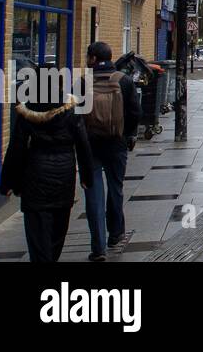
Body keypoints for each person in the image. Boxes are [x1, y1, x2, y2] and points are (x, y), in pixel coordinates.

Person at [0, 71, 94, 262]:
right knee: (59, 227)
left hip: (35, 175)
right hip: (63, 174)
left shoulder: (27, 111)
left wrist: (8, 182)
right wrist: (86, 176)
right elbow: (83, 145)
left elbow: (16, 148)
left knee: (37, 231)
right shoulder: (71, 109)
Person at [82, 42, 140, 262]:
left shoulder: (84, 82)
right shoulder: (123, 80)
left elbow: (77, 117)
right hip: (116, 143)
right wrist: (128, 135)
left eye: (88, 56)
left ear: (93, 59)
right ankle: (115, 234)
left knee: (93, 194)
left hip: (90, 145)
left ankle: (97, 248)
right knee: (115, 188)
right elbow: (136, 111)